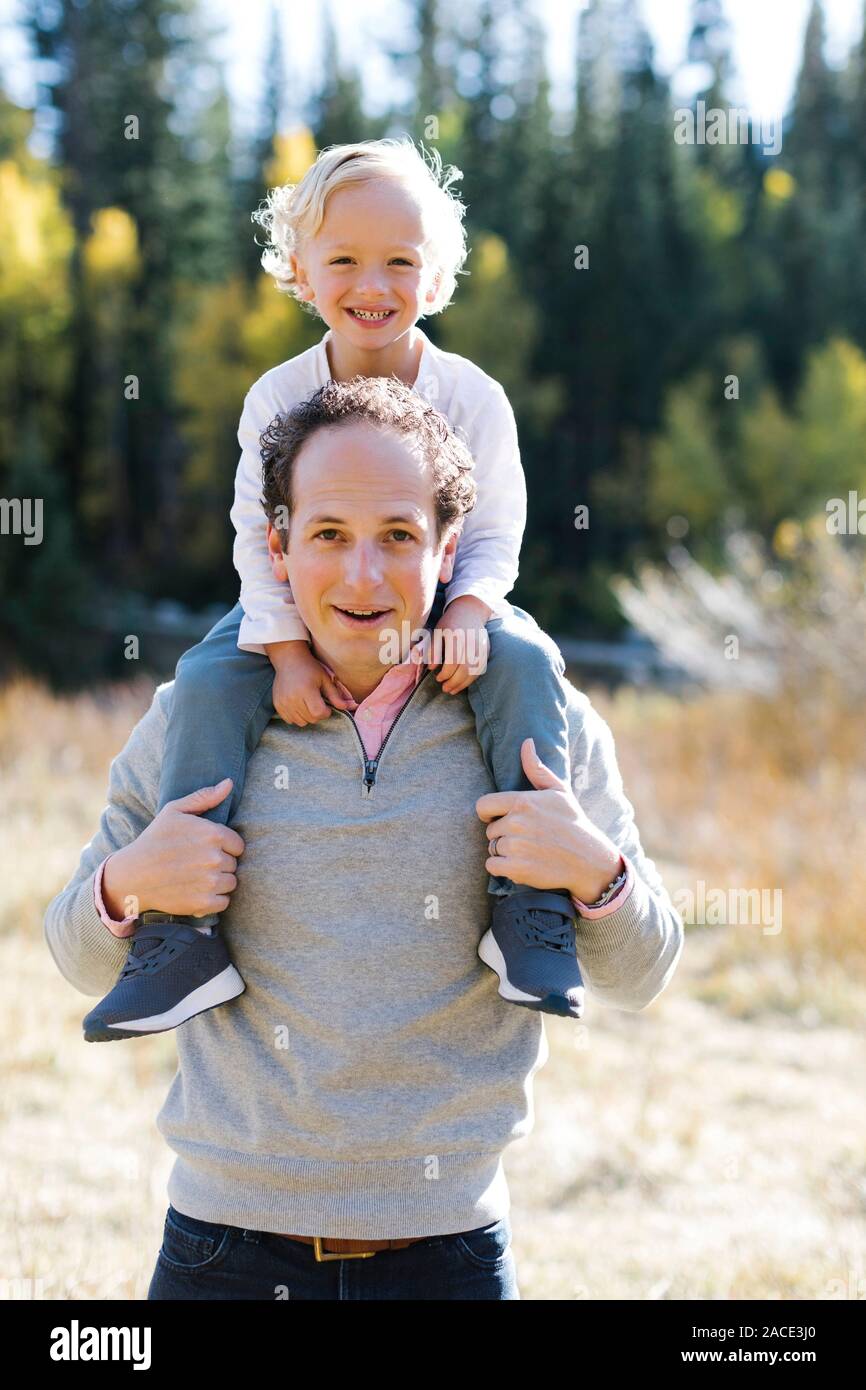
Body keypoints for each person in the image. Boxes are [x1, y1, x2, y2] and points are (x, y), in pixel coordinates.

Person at [44, 375, 684, 1300]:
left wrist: (597, 872)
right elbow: (75, 957)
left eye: (398, 537)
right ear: (278, 546)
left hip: (449, 1257)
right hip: (222, 1252)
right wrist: (130, 886)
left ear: (448, 547)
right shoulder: (194, 718)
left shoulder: (542, 725)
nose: (362, 576)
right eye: (329, 536)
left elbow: (645, 971)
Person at [81, 136, 620, 1042]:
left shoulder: (474, 397)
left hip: (459, 601)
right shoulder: (276, 397)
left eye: (400, 263)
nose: (373, 283)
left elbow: (495, 531)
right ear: (300, 270)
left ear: (438, 280)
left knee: (527, 664)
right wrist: (285, 652)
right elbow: (260, 539)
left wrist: (477, 614)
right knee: (213, 679)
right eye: (344, 260)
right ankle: (179, 936)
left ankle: (531, 911)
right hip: (290, 608)